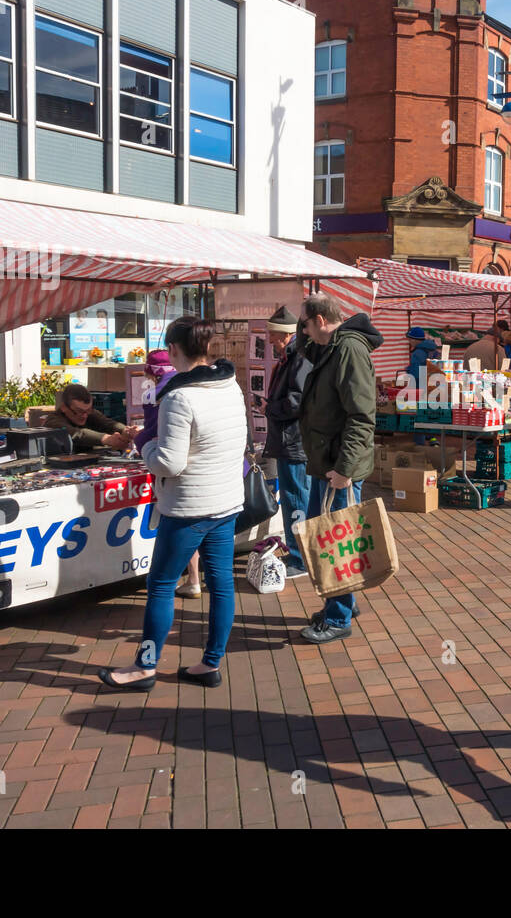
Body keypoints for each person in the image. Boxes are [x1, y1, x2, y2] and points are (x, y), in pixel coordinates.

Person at [98, 317, 246, 691]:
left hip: (189, 506)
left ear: (174, 349)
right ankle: (210, 663)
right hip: (226, 501)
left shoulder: (179, 397)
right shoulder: (230, 385)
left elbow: (169, 463)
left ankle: (145, 667)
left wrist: (141, 444)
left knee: (161, 585)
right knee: (221, 584)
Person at [297, 294, 383, 644]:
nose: (301, 331)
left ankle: (338, 616)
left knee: (339, 543)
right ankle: (342, 603)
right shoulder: (332, 347)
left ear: (319, 320)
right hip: (329, 461)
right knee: (336, 540)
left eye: (304, 324)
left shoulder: (348, 349)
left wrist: (345, 468)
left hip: (338, 466)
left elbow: (361, 416)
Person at [134, 350, 202, 599]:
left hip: (171, 467)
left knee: (172, 524)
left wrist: (139, 439)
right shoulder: (191, 383)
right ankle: (194, 579)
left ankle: (165, 582)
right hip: (200, 468)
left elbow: (153, 431)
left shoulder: (157, 391)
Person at [257, 307, 313, 579]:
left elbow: (297, 402)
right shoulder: (292, 358)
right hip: (291, 440)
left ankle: (301, 558)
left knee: (297, 499)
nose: (268, 339)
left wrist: (269, 408)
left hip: (295, 441)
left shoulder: (299, 359)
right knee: (297, 497)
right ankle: (300, 553)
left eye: (272, 334)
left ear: (285, 335)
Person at [43, 383, 135, 452]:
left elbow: (108, 423)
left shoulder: (89, 413)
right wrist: (106, 439)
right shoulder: (53, 422)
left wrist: (127, 431)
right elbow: (77, 434)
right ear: (64, 408)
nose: (85, 415)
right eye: (79, 411)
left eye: (88, 410)